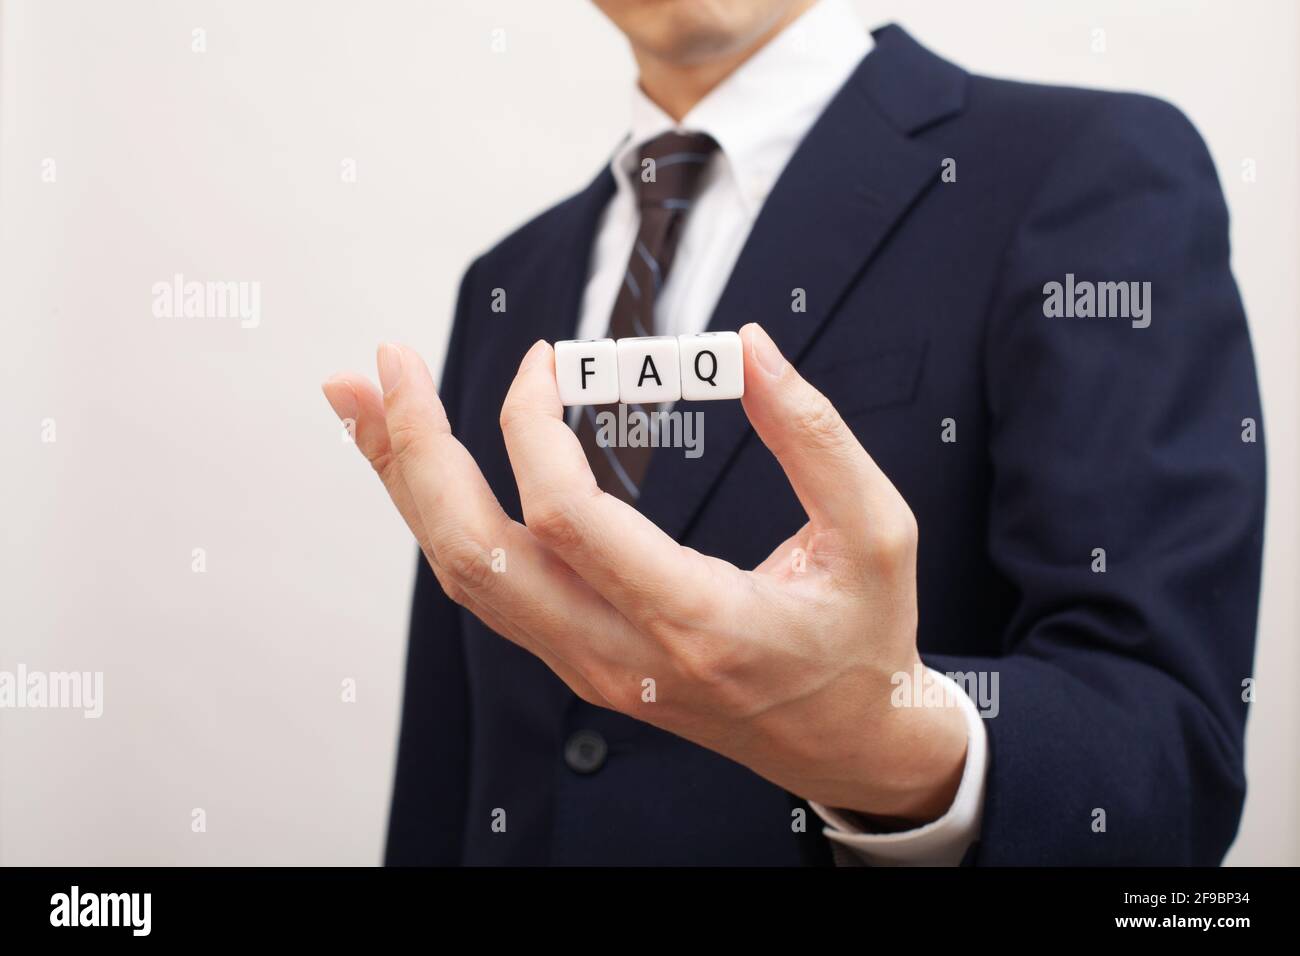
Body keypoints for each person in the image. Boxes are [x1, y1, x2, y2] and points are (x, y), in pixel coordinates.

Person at [321, 0, 1264, 865]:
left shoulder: (1085, 169)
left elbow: (1166, 755)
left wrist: (892, 749)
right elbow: (451, 757)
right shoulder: (509, 279)